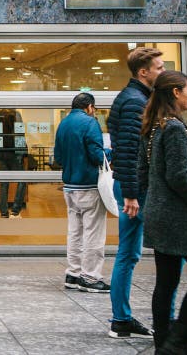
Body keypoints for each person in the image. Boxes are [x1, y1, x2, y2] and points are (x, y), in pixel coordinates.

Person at [138, 71, 187, 353]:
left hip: (159, 213)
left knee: (167, 281)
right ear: (175, 93)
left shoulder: (152, 127)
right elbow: (179, 175)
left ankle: (164, 344)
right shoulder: (172, 128)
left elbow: (143, 172)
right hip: (178, 215)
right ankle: (180, 334)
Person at [106, 47, 164, 339]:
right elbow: (128, 152)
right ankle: (122, 319)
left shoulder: (133, 98)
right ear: (144, 72)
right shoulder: (134, 102)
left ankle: (122, 318)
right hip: (134, 187)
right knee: (128, 254)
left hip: (133, 185)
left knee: (129, 253)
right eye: (159, 68)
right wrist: (131, 195)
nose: (162, 72)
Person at [54, 92, 111, 293]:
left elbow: (58, 157)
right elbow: (97, 155)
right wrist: (110, 152)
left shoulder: (63, 124)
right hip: (88, 185)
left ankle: (73, 273)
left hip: (69, 187)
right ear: (89, 107)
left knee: (75, 232)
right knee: (93, 233)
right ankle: (90, 276)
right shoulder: (90, 123)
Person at [0, 108, 27, 218]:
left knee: (4, 183)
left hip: (1, 153)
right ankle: (15, 211)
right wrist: (21, 153)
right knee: (22, 180)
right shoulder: (16, 114)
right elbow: (19, 134)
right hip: (14, 152)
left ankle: (3, 212)